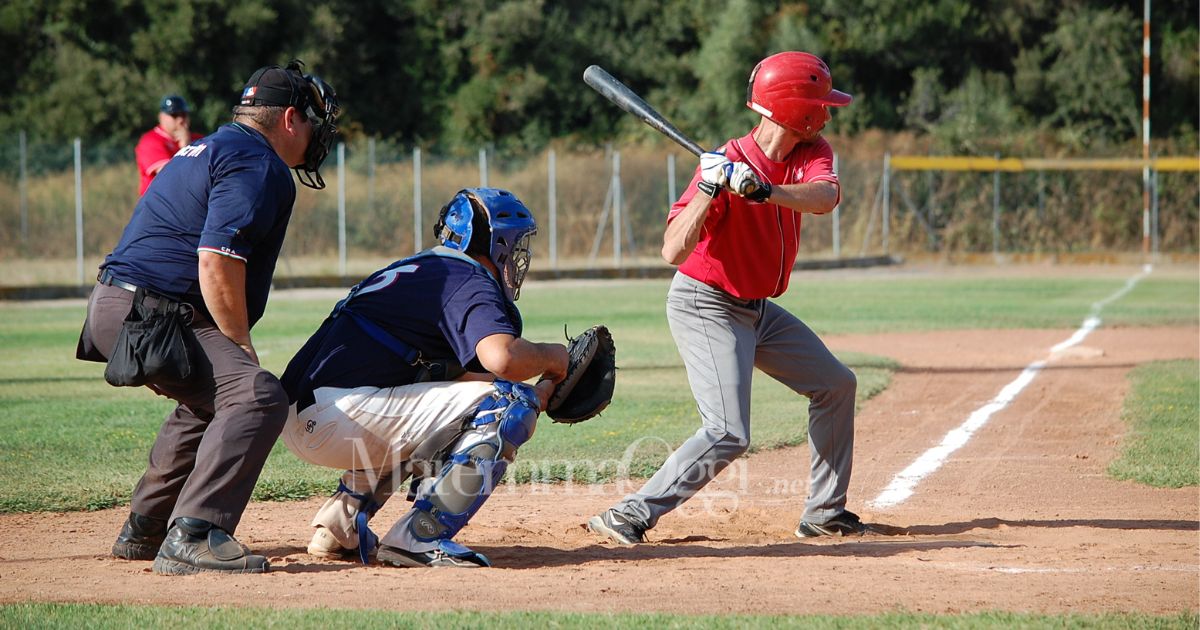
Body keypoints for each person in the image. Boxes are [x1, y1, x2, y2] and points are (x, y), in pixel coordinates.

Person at [587, 51, 866, 545]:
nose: (828, 111)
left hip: (756, 308)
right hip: (706, 304)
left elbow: (824, 198)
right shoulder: (721, 167)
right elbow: (672, 249)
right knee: (728, 431)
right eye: (821, 103)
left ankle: (824, 512)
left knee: (835, 385)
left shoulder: (810, 150)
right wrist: (710, 191)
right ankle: (629, 513)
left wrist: (764, 190)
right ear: (798, 109)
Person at [76, 60, 340, 575]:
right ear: (289, 119)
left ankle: (146, 529)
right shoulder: (258, 162)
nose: (317, 132)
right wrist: (240, 343)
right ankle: (195, 535)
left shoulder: (212, 146)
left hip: (117, 304)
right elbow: (216, 257)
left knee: (211, 399)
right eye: (312, 120)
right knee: (258, 394)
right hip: (152, 313)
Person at [278, 187, 569, 568]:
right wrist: (554, 357)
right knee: (510, 404)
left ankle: (339, 526)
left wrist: (542, 390)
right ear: (496, 244)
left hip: (308, 414)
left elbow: (460, 381)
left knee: (468, 408)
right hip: (338, 415)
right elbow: (502, 359)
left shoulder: (425, 269)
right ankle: (419, 536)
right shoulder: (466, 276)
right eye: (515, 245)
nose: (519, 255)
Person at [135, 95, 204, 196]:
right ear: (161, 117)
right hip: (159, 206)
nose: (180, 120)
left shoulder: (197, 139)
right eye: (174, 115)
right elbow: (170, 176)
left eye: (184, 114)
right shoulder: (150, 141)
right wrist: (186, 148)